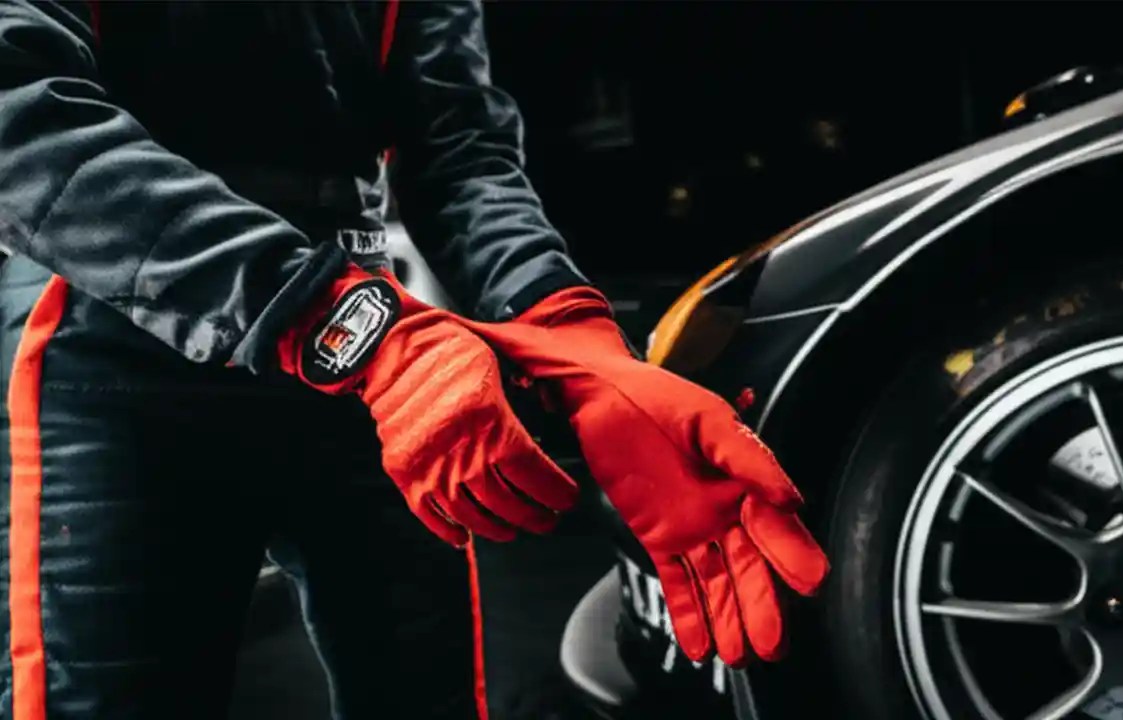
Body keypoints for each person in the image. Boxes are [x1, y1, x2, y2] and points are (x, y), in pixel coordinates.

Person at [0, 2, 831, 719]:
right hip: (119, 346)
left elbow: (459, 148)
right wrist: (348, 324)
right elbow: (19, 108)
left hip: (376, 340)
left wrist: (569, 332)